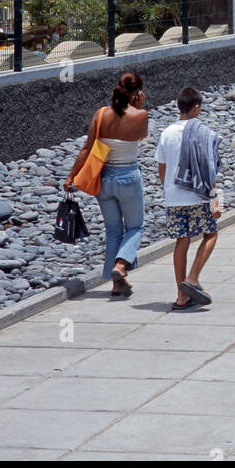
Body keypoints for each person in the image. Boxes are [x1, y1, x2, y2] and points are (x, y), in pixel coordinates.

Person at [66, 70, 148, 297]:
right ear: (137, 92)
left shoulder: (101, 114)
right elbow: (142, 136)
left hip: (103, 178)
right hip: (128, 176)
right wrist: (139, 107)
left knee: (113, 230)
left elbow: (86, 149)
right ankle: (120, 267)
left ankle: (116, 285)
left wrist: (71, 176)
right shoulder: (141, 116)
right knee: (135, 227)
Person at [155, 86, 224, 310]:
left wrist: (168, 190)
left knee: (181, 242)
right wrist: (215, 198)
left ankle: (181, 297)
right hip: (197, 194)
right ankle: (192, 278)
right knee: (211, 234)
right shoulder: (203, 133)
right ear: (196, 108)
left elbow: (162, 167)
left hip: (174, 196)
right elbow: (208, 168)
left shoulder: (166, 132)